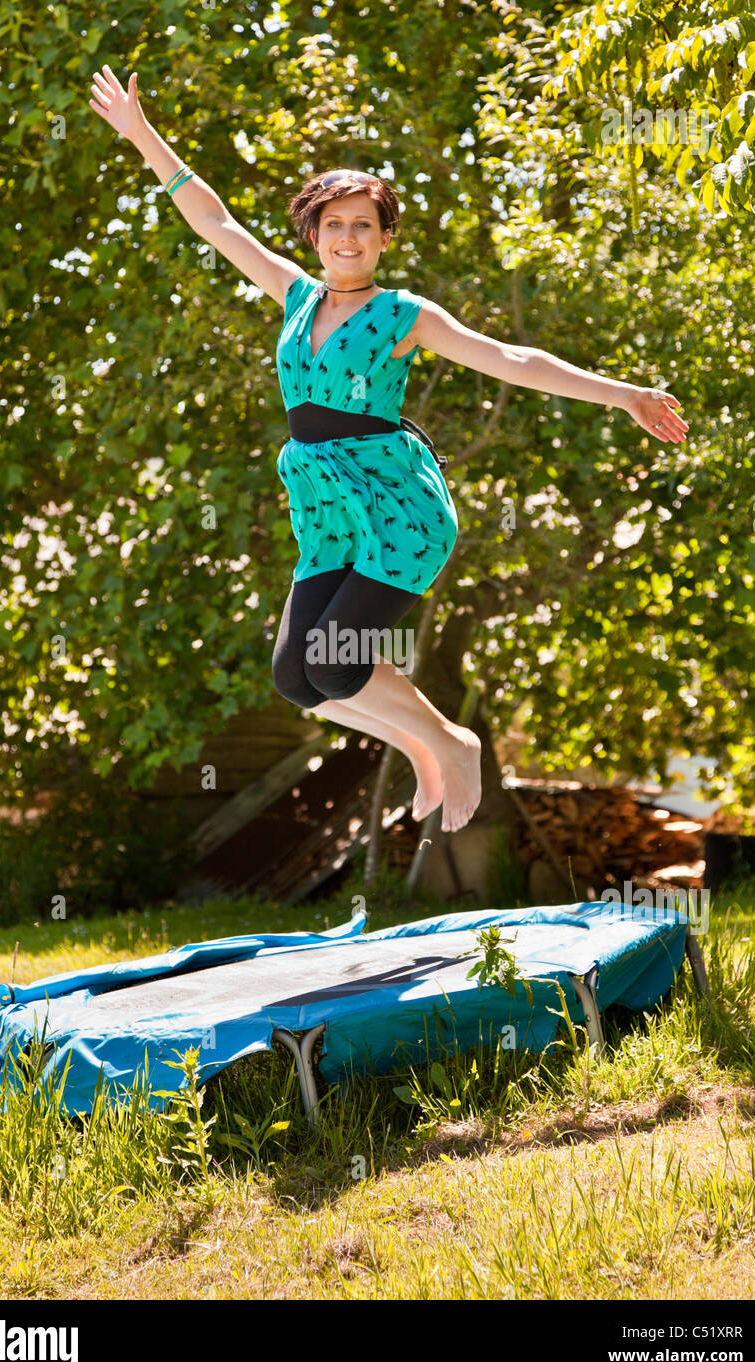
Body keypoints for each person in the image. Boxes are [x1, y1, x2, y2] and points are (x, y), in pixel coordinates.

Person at [89, 66, 689, 834]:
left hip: (396, 505)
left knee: (335, 665)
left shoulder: (405, 314)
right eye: (334, 224)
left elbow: (512, 360)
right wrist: (143, 135)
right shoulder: (295, 296)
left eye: (363, 225)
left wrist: (624, 394)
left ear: (383, 238)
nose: (347, 237)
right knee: (296, 679)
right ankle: (428, 747)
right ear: (314, 234)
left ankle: (453, 745)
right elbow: (218, 224)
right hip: (327, 504)